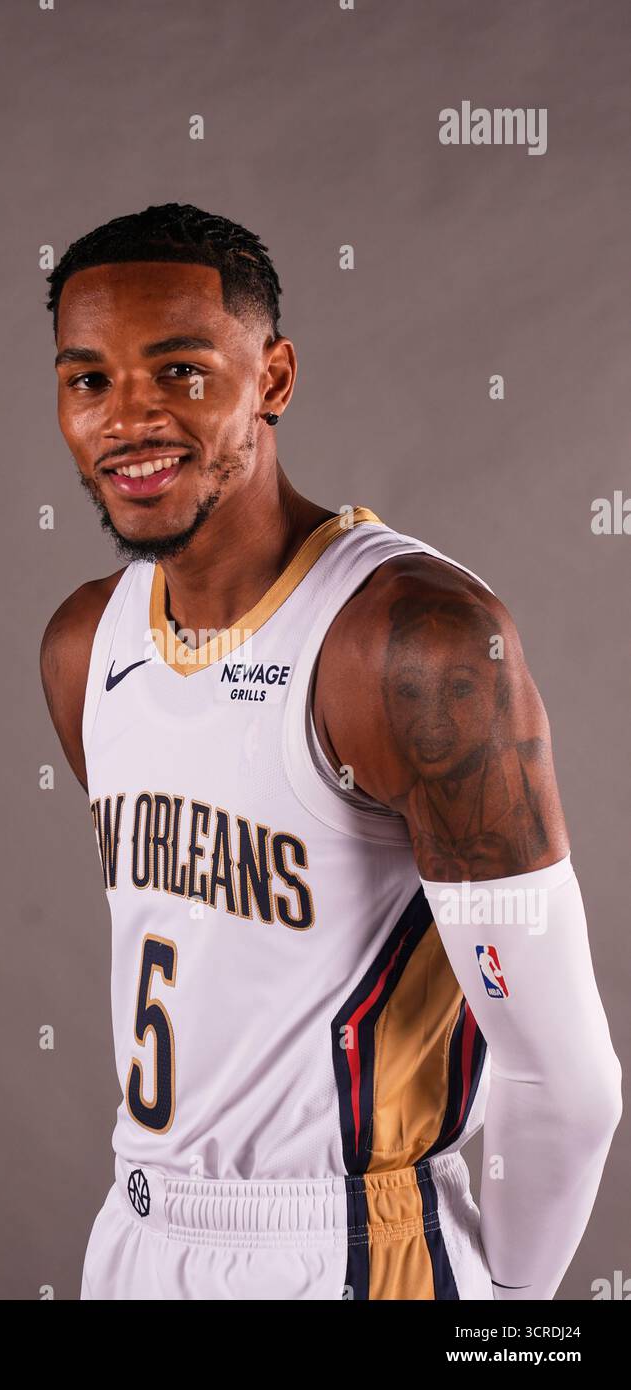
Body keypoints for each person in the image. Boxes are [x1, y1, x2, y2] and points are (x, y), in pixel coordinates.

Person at [39, 202, 622, 1300]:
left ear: (272, 377)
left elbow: (565, 1078)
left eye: (179, 370)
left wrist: (507, 1308)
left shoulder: (410, 642)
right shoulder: (85, 644)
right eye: (87, 381)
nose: (127, 418)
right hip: (133, 1230)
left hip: (346, 1247)